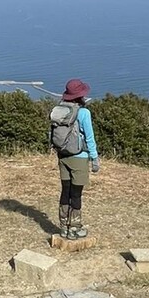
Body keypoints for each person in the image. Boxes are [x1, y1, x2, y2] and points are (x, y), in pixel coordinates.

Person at [50, 77, 100, 239]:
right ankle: (75, 228)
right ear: (81, 95)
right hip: (79, 157)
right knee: (76, 194)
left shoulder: (59, 109)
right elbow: (90, 138)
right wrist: (94, 158)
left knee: (65, 191)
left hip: (63, 156)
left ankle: (63, 227)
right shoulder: (83, 112)